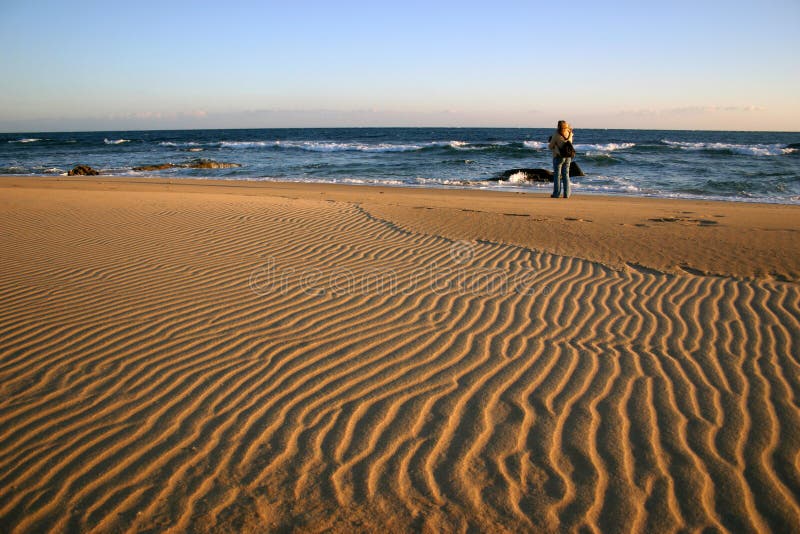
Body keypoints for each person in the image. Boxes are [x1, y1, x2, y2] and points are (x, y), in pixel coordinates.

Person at [547, 120, 573, 198]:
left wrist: (553, 144)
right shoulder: (570, 133)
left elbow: (550, 146)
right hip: (568, 156)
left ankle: (556, 193)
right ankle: (567, 194)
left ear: (558, 126)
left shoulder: (556, 134)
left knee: (557, 176)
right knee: (566, 175)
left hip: (558, 156)